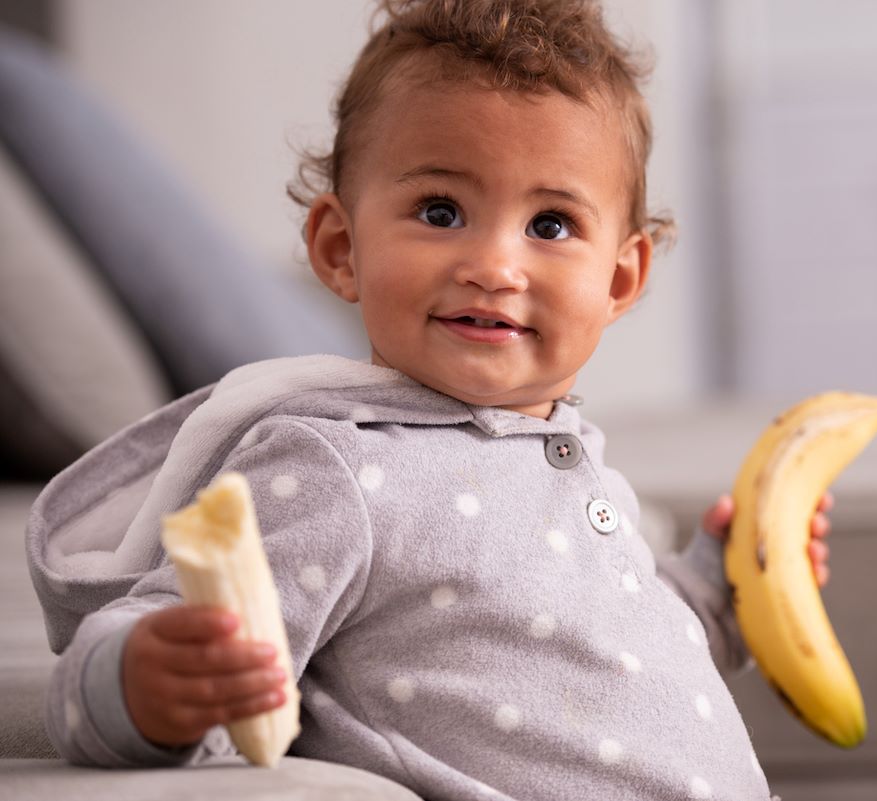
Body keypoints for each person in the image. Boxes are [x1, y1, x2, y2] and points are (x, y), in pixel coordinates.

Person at [27, 1, 833, 799]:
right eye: (441, 212)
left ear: (619, 279)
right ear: (342, 249)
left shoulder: (572, 458)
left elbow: (606, 652)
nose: (493, 264)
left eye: (550, 224)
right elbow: (165, 632)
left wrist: (713, 594)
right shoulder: (336, 468)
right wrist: (134, 684)